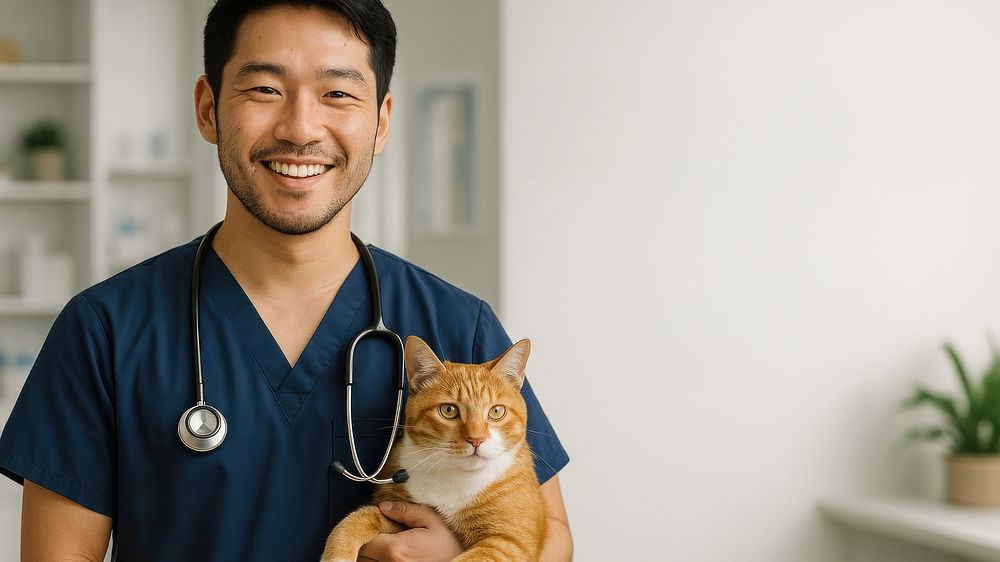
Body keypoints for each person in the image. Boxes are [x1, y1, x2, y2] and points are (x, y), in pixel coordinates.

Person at [0, 1, 572, 560]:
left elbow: (550, 536)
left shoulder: (456, 324)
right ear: (207, 108)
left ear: (381, 122)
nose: (300, 127)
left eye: (338, 93)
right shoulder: (105, 330)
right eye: (265, 89)